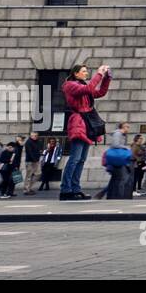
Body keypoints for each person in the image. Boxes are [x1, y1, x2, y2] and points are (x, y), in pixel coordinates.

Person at [60, 63, 112, 201]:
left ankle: (75, 189)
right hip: (79, 123)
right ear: (76, 73)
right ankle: (66, 189)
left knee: (81, 160)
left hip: (86, 124)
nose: (86, 73)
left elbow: (100, 92)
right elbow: (89, 88)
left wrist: (106, 78)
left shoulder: (82, 86)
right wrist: (100, 73)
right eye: (84, 71)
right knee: (74, 159)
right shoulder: (70, 85)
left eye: (87, 71)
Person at [21, 131, 43, 196]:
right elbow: (29, 152)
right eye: (34, 135)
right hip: (30, 161)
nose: (35, 136)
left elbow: (39, 150)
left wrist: (39, 156)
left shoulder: (38, 142)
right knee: (29, 175)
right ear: (31, 136)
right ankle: (26, 190)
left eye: (36, 135)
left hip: (36, 161)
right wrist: (35, 159)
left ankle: (29, 187)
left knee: (38, 174)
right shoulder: (28, 142)